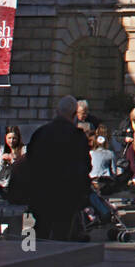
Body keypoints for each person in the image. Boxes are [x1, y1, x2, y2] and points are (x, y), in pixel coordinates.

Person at [27, 96, 93, 241]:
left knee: (42, 231)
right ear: (74, 114)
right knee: (62, 235)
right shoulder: (77, 137)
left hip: (42, 192)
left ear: (57, 111)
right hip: (66, 194)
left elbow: (30, 161)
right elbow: (85, 166)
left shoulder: (41, 133)